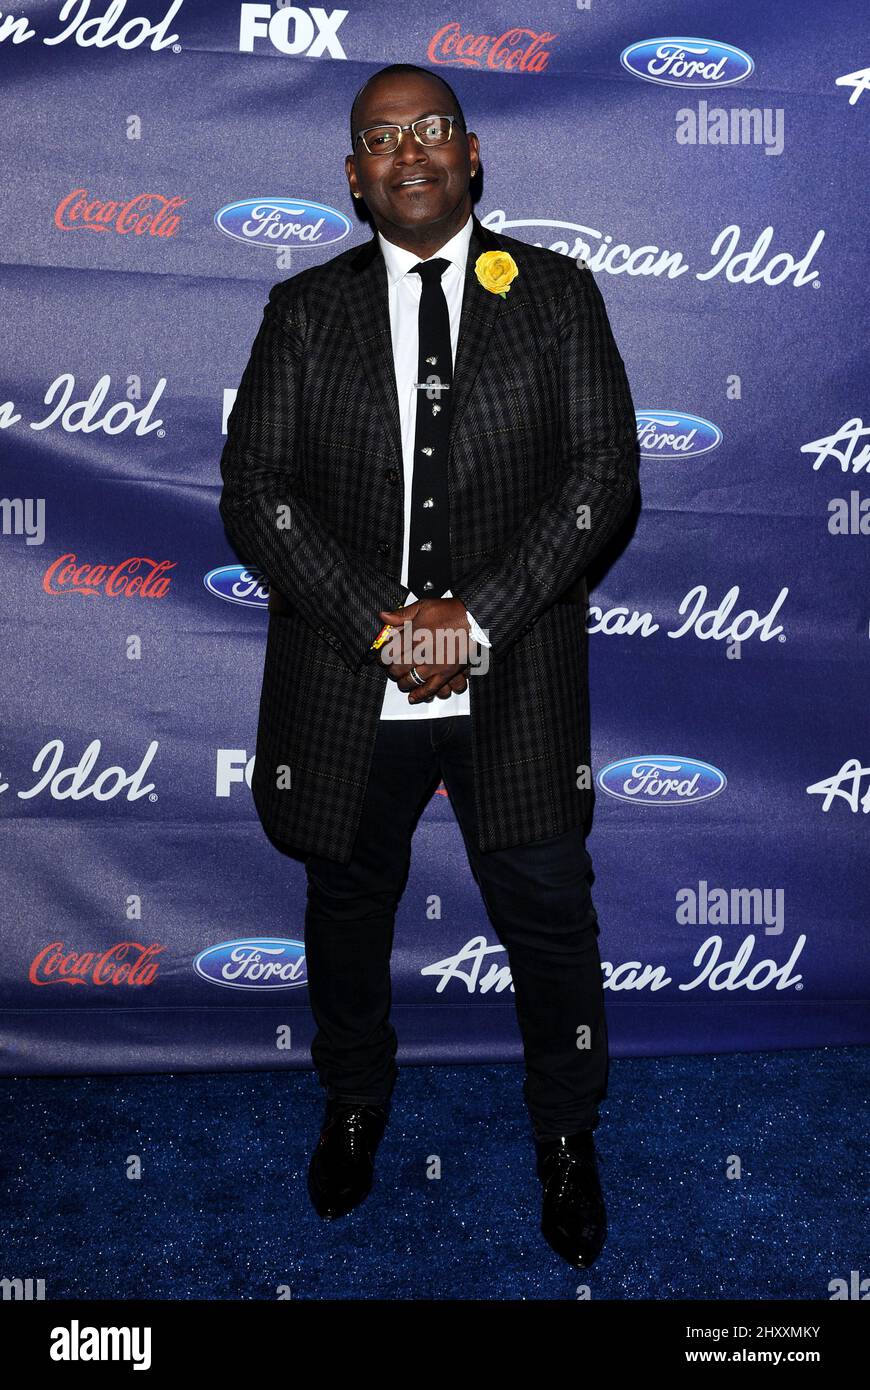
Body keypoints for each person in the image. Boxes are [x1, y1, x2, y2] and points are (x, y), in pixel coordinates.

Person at [219, 62, 638, 1269]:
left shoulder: (557, 297)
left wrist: (476, 615)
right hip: (350, 680)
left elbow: (603, 475)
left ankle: (567, 1136)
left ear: (472, 154)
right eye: (381, 138)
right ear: (354, 178)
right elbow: (258, 494)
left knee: (552, 922)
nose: (410, 152)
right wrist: (382, 623)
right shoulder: (304, 312)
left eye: (431, 129)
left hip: (520, 678)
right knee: (346, 914)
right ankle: (354, 1104)